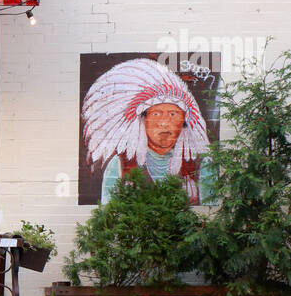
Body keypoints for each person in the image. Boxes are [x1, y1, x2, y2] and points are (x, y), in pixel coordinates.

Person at [82, 57, 213, 205]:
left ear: (184, 121)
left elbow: (211, 214)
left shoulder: (202, 165)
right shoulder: (119, 165)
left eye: (173, 114)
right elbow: (108, 213)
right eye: (156, 114)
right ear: (143, 121)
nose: (164, 123)